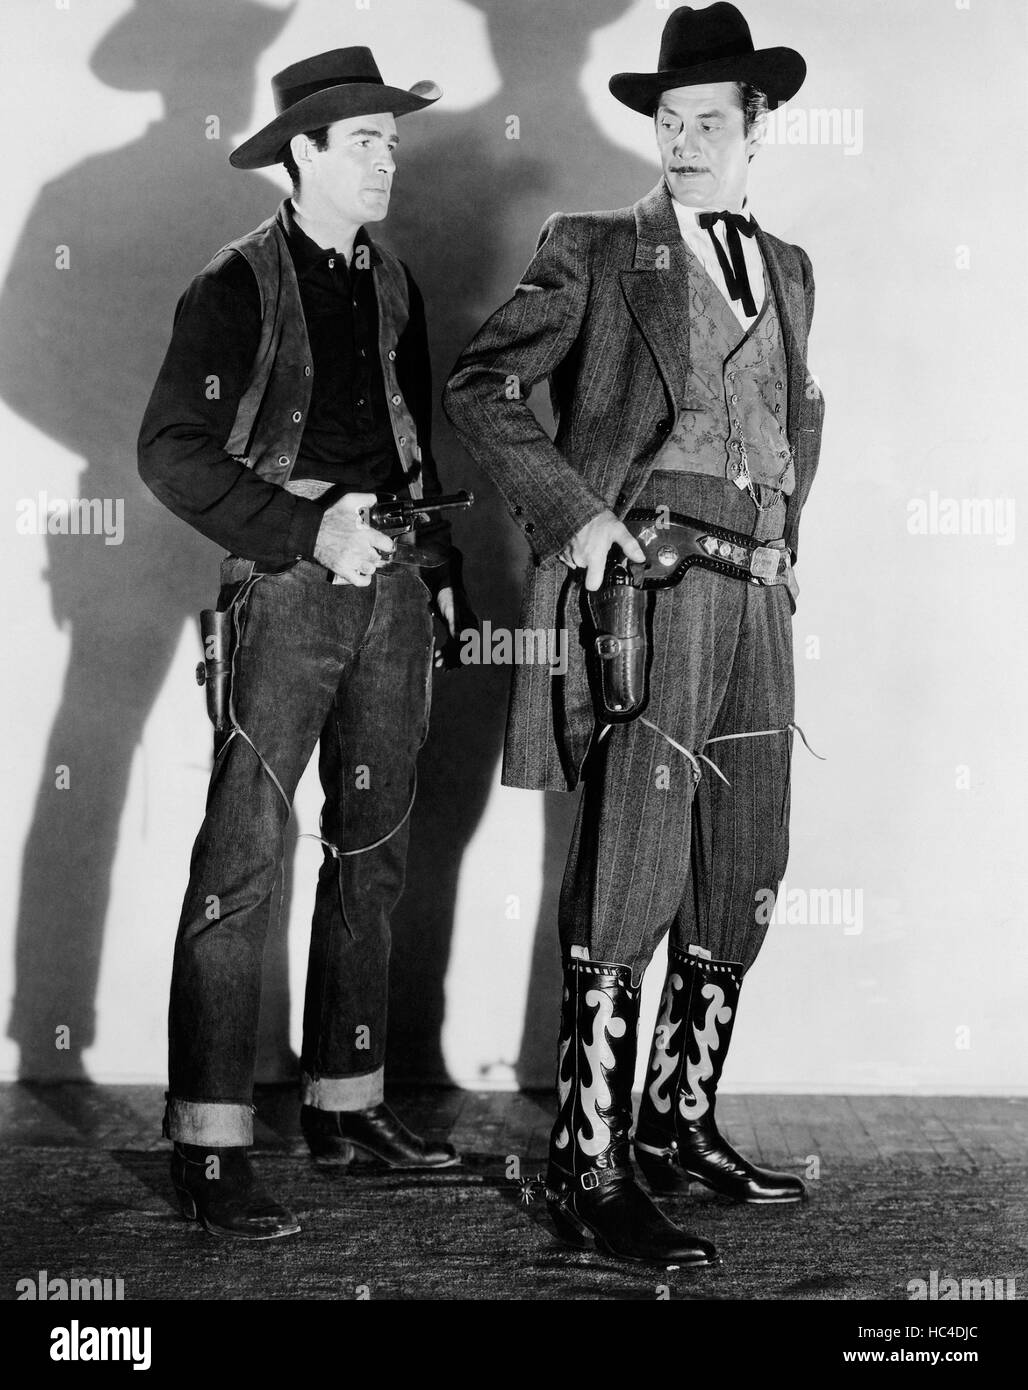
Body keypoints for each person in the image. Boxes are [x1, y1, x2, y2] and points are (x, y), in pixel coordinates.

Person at [444, 3, 824, 1266]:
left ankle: (675, 1120)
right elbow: (482, 388)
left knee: (744, 857)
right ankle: (587, 1165)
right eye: (667, 124)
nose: (683, 142)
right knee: (633, 865)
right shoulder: (597, 249)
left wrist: (781, 548)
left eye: (708, 122)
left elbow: (792, 422)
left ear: (756, 127)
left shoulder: (794, 271)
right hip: (653, 591)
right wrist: (580, 520)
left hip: (756, 597)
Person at [139, 47, 472, 1240]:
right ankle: (211, 1142)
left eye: (392, 140)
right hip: (284, 593)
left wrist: (437, 582)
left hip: (390, 593)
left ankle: (347, 1101)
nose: (388, 159)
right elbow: (171, 450)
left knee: (372, 850)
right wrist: (304, 528)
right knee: (241, 864)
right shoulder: (230, 284)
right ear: (302, 157)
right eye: (364, 142)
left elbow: (415, 449)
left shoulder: (394, 284)